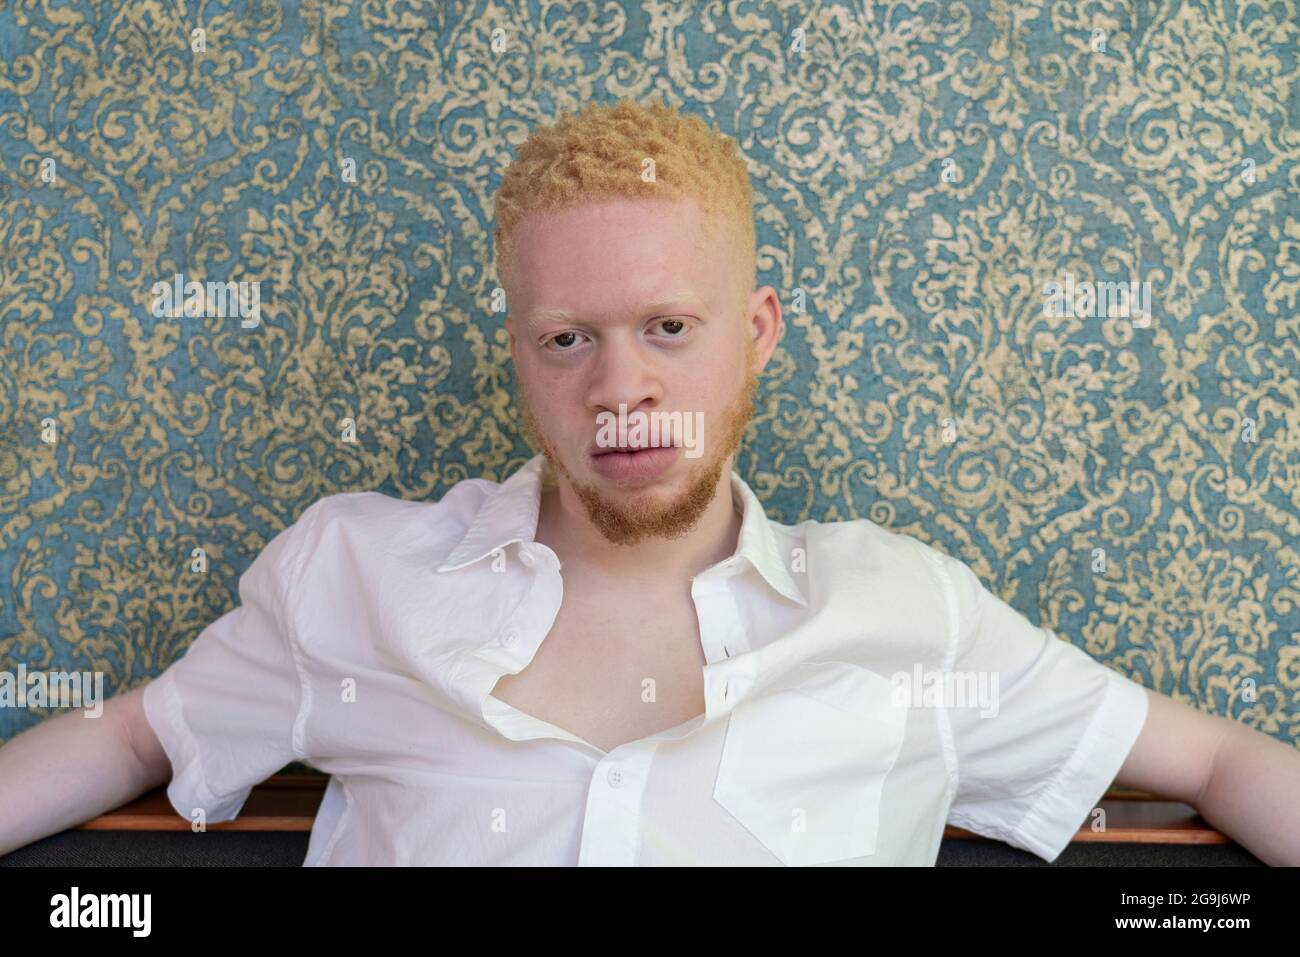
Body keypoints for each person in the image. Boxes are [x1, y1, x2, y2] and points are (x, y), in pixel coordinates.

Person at [2, 99, 1297, 866]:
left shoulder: (913, 615)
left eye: (668, 329)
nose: (618, 387)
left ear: (757, 332)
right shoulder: (352, 576)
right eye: (569, 337)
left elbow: (1219, 756)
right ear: (518, 347)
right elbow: (130, 734)